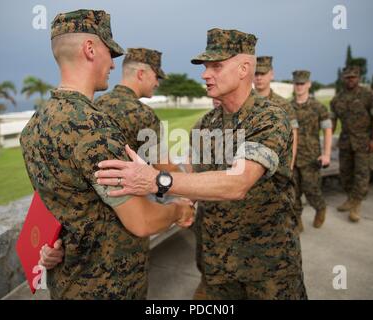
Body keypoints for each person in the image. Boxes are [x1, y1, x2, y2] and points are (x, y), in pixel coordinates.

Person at [94, 28, 307, 299]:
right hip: (217, 266)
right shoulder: (206, 125)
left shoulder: (269, 119)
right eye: (205, 67)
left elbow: (238, 183)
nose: (205, 74)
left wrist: (157, 180)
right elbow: (193, 176)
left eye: (216, 66)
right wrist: (180, 203)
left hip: (267, 267)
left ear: (244, 69)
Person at [19, 9, 193, 300]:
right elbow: (141, 221)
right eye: (109, 53)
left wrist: (50, 247)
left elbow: (54, 201)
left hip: (67, 282)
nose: (113, 65)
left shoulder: (34, 125)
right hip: (111, 283)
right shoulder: (93, 127)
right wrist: (179, 210)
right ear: (90, 49)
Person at [330, 66, 373, 222]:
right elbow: (332, 121)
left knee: (361, 174)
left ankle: (356, 205)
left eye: (353, 77)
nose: (350, 79)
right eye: (347, 77)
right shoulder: (337, 99)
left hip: (364, 142)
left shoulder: (369, 95)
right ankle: (350, 198)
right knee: (345, 173)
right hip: (346, 142)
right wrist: (328, 139)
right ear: (343, 78)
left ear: (359, 78)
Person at [291, 70, 332, 231]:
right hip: (293, 158)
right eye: (297, 83)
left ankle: (320, 208)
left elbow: (327, 130)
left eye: (302, 83)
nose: (299, 86)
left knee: (312, 190)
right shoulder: (288, 106)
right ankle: (297, 220)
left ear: (308, 84)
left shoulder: (318, 107)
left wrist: (327, 154)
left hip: (311, 158)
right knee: (293, 193)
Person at [254, 56, 299, 169]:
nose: (259, 77)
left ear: (271, 74)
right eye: (256, 74)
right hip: (251, 167)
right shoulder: (243, 103)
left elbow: (293, 135)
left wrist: (290, 166)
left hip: (278, 167)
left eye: (263, 74)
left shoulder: (284, 105)